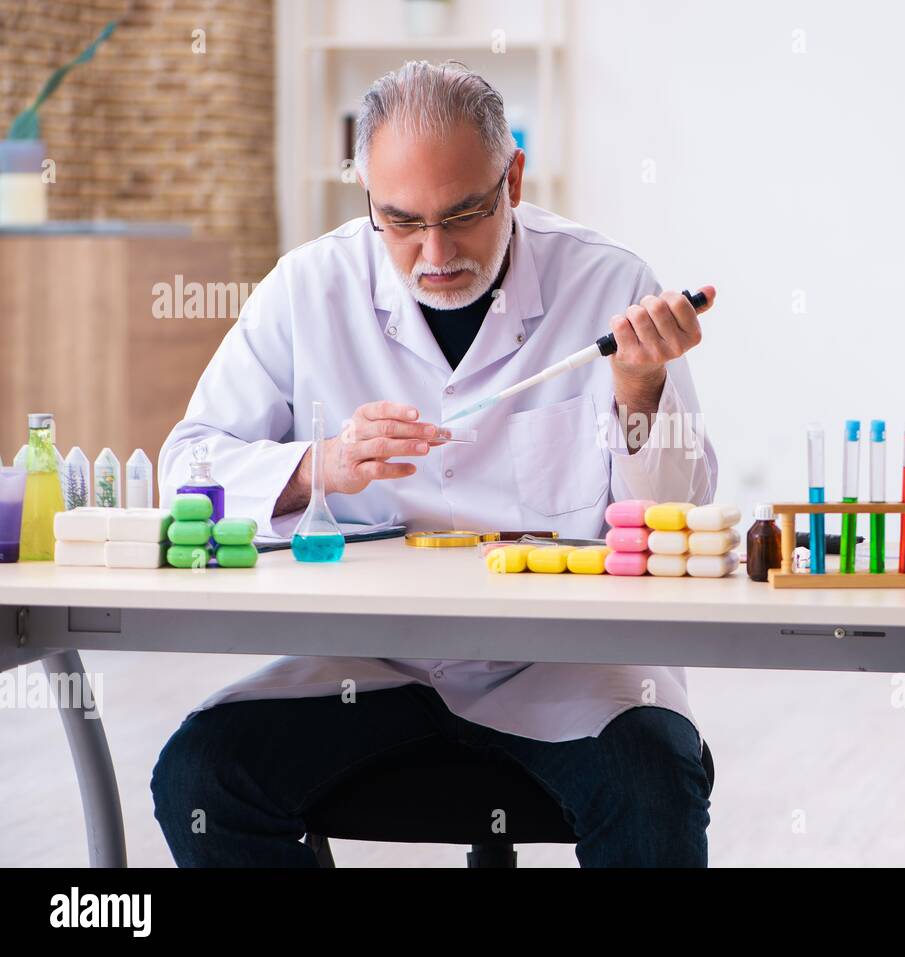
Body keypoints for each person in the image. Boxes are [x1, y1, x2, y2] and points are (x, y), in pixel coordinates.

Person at [150, 60, 717, 867]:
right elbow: (188, 469)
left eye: (464, 213)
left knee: (653, 783)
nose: (435, 252)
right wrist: (321, 464)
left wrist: (638, 387)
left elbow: (679, 516)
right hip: (369, 661)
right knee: (202, 778)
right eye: (402, 220)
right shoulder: (308, 288)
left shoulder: (609, 284)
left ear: (513, 176)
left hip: (568, 667)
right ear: (365, 197)